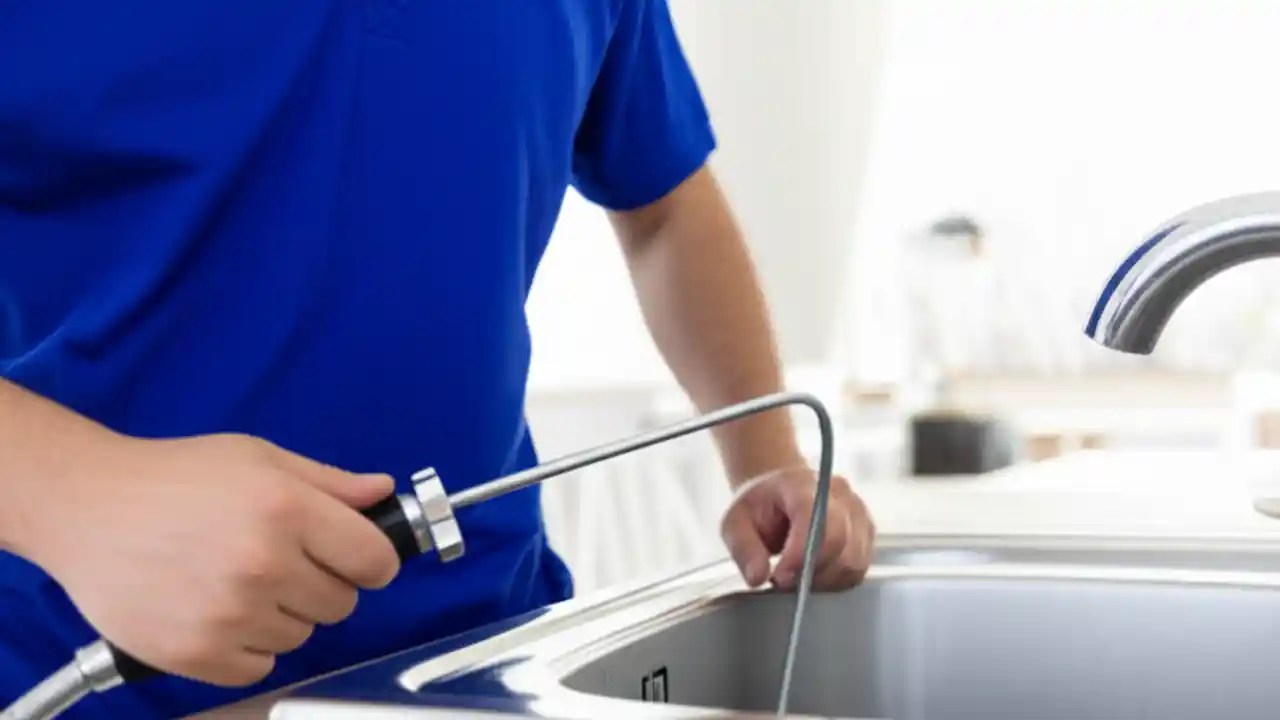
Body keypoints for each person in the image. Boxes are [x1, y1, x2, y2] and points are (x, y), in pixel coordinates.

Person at [0, 1, 876, 717]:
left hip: (486, 668)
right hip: (77, 677)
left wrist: (768, 460)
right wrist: (77, 497)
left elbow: (666, 209)